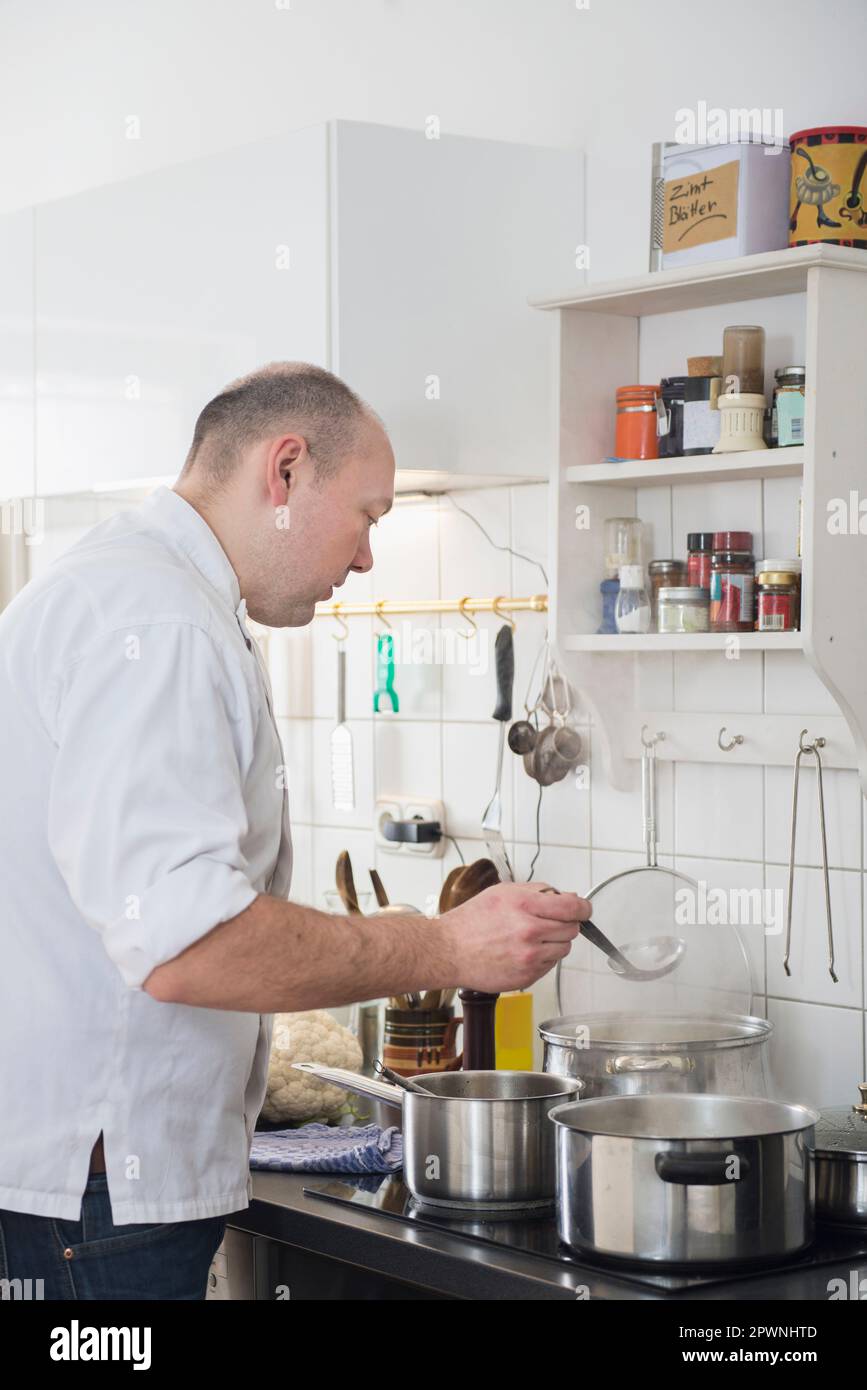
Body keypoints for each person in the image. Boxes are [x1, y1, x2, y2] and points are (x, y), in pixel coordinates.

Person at [0, 362, 588, 1299]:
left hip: (77, 1193)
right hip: (97, 1209)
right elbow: (188, 945)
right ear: (285, 470)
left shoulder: (122, 592)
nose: (364, 557)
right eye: (368, 515)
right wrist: (443, 945)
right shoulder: (161, 624)